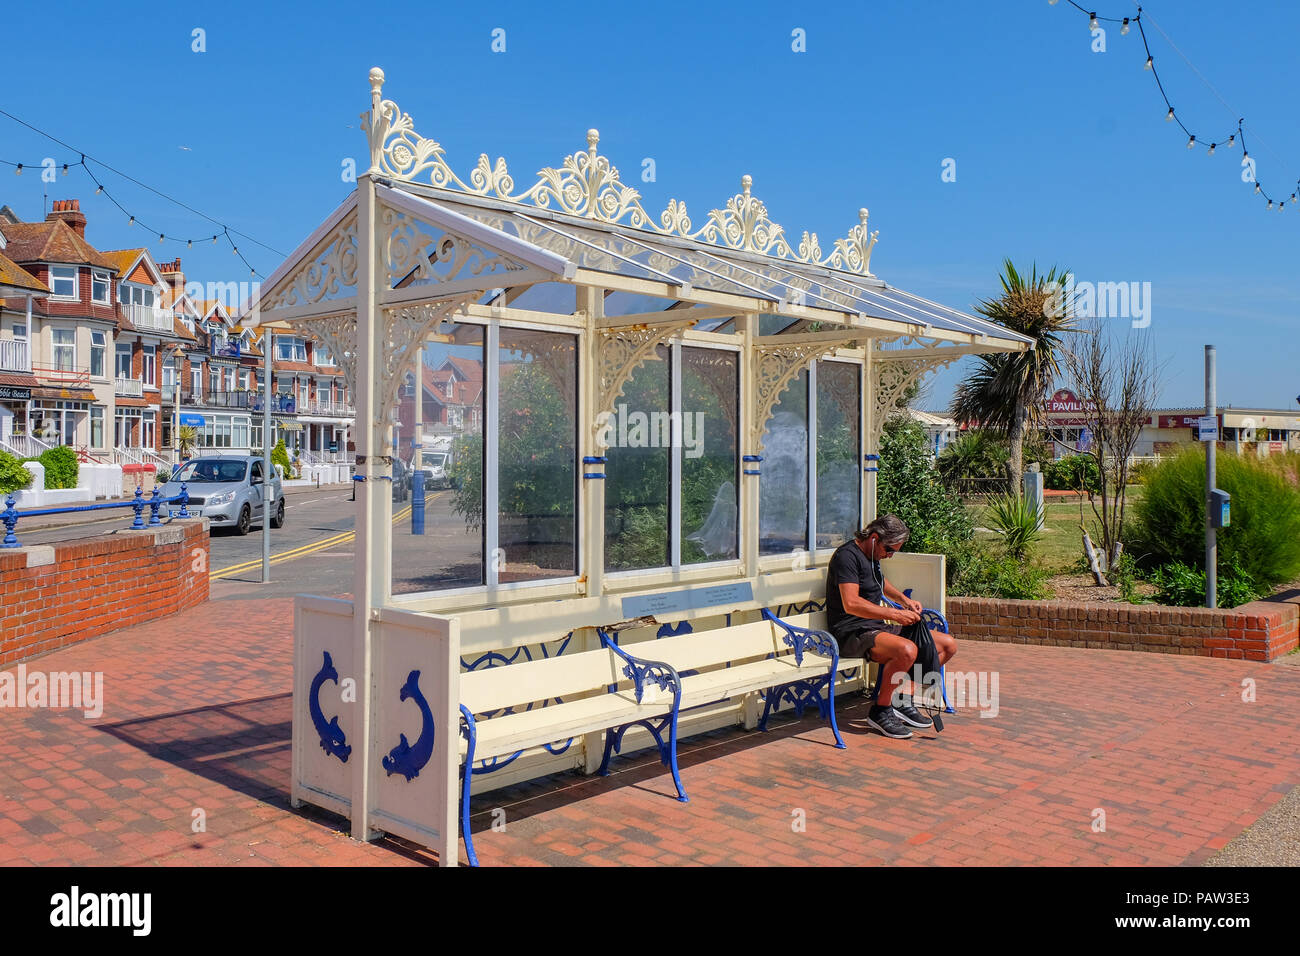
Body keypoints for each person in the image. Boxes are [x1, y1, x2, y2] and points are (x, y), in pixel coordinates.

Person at [824, 514, 957, 739]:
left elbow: (880, 582)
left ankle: (902, 699)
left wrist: (904, 601)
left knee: (946, 645)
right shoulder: (846, 557)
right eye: (889, 550)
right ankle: (880, 711)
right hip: (851, 632)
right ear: (875, 538)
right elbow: (851, 603)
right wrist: (894, 614)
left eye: (894, 551)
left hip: (874, 627)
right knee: (907, 650)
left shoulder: (873, 555)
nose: (890, 555)